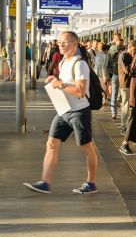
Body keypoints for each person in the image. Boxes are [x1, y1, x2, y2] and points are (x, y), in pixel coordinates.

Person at [23, 31, 99, 194]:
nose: (61, 45)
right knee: (51, 143)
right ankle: (45, 182)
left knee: (87, 147)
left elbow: (80, 91)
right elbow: (65, 82)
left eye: (65, 42)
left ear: (75, 43)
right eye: (59, 42)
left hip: (79, 112)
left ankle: (91, 183)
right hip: (64, 110)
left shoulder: (80, 64)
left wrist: (61, 85)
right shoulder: (64, 61)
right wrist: (55, 81)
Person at [118, 40, 136, 135]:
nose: (134, 51)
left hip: (133, 84)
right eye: (133, 49)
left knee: (133, 106)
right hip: (125, 84)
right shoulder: (123, 56)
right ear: (129, 47)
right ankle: (123, 126)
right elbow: (127, 70)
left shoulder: (131, 56)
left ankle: (131, 125)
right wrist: (134, 59)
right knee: (125, 106)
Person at [107, 34, 126, 119]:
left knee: (114, 93)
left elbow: (108, 62)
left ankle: (114, 113)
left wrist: (109, 74)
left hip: (115, 73)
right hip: (122, 74)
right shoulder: (125, 49)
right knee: (122, 93)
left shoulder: (111, 49)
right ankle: (122, 112)